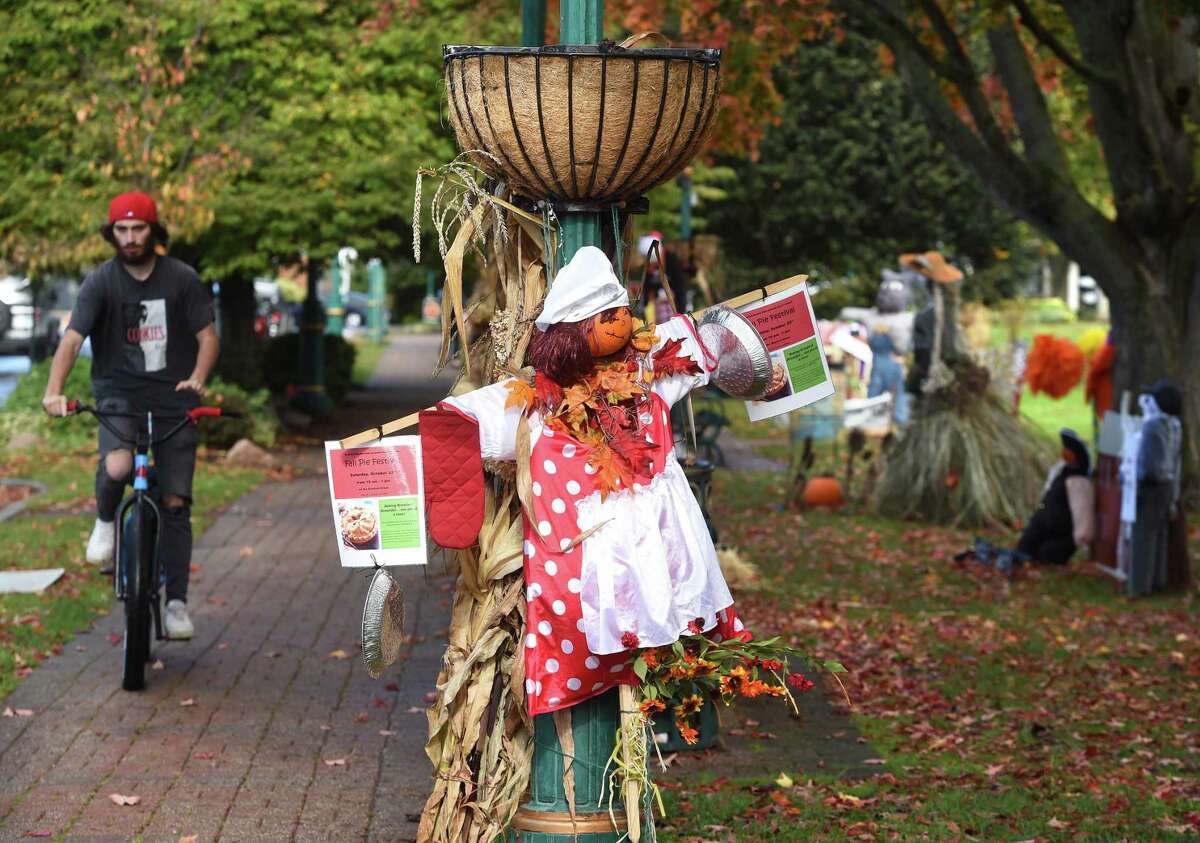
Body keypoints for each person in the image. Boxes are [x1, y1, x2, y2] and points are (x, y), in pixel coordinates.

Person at [41, 192, 218, 639]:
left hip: (175, 398)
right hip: (119, 394)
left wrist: (198, 378)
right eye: (122, 229)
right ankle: (105, 522)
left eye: (138, 228)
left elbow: (207, 336)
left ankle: (176, 604)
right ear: (112, 233)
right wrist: (53, 391)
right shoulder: (101, 282)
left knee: (175, 501)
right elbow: (72, 339)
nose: (130, 237)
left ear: (153, 230)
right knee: (118, 466)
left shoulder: (181, 279)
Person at [1128, 379, 1183, 596]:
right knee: (1159, 534)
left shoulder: (1152, 426)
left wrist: (1135, 480)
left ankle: (1140, 586)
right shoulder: (1175, 426)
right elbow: (1176, 461)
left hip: (1151, 486)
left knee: (1143, 535)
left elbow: (1148, 465)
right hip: (1167, 486)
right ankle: (1158, 580)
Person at [1015, 429, 1095, 565]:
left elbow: (1082, 513)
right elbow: (1046, 495)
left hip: (1061, 535)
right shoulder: (1059, 472)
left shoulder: (1078, 482)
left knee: (1046, 555)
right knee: (1023, 550)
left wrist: (1081, 540)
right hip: (1042, 526)